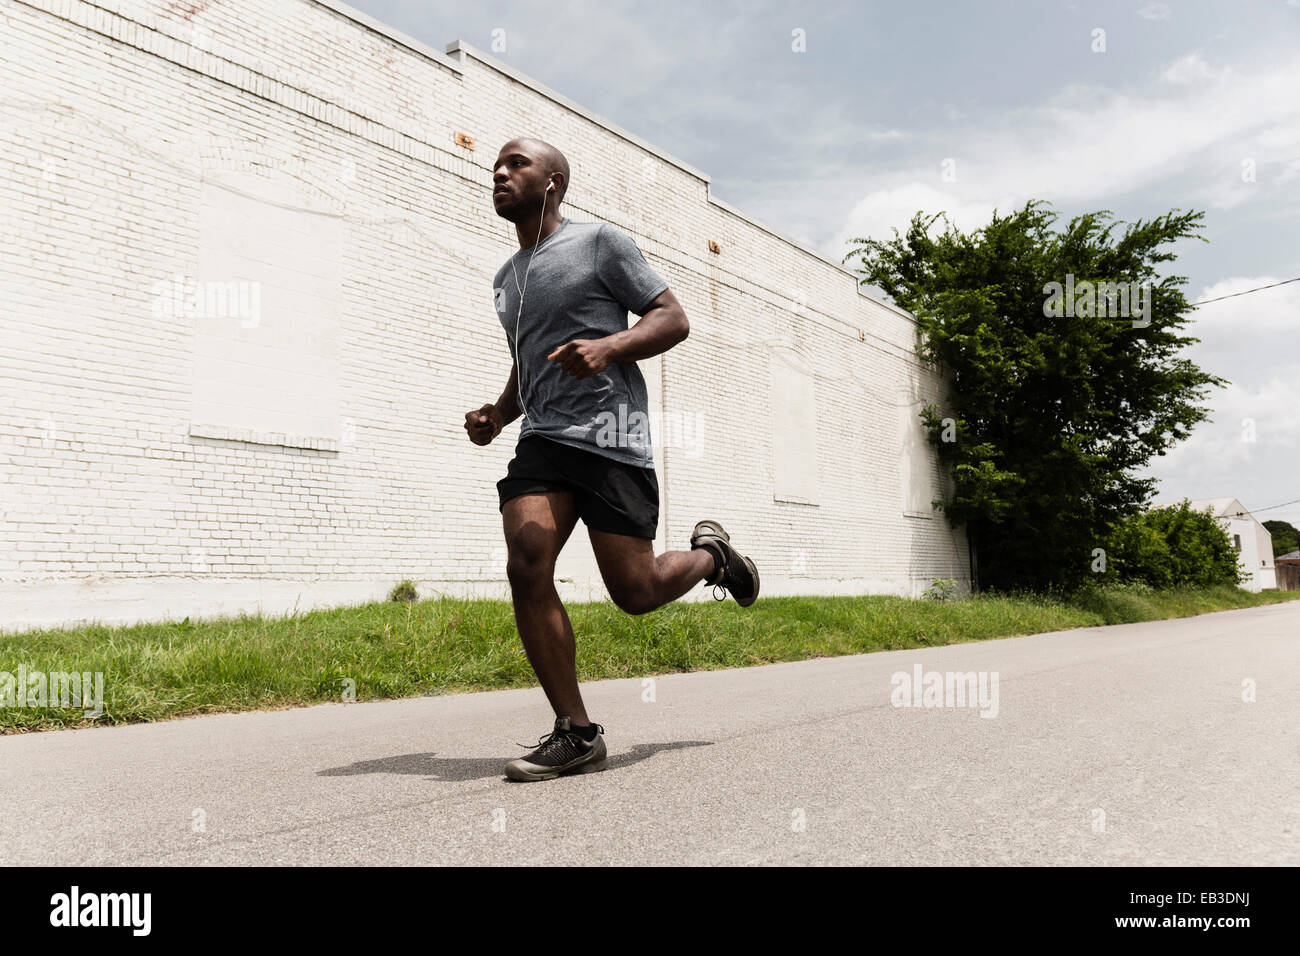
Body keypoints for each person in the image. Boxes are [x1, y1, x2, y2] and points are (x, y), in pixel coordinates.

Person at [464, 137, 759, 782]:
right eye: (497, 165)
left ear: (554, 182)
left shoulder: (601, 244)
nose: (500, 172)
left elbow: (672, 319)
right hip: (543, 440)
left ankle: (714, 556)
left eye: (518, 164)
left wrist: (608, 348)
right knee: (527, 561)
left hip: (612, 437)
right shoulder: (504, 279)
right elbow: (528, 365)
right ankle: (576, 731)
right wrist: (498, 413)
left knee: (637, 591)